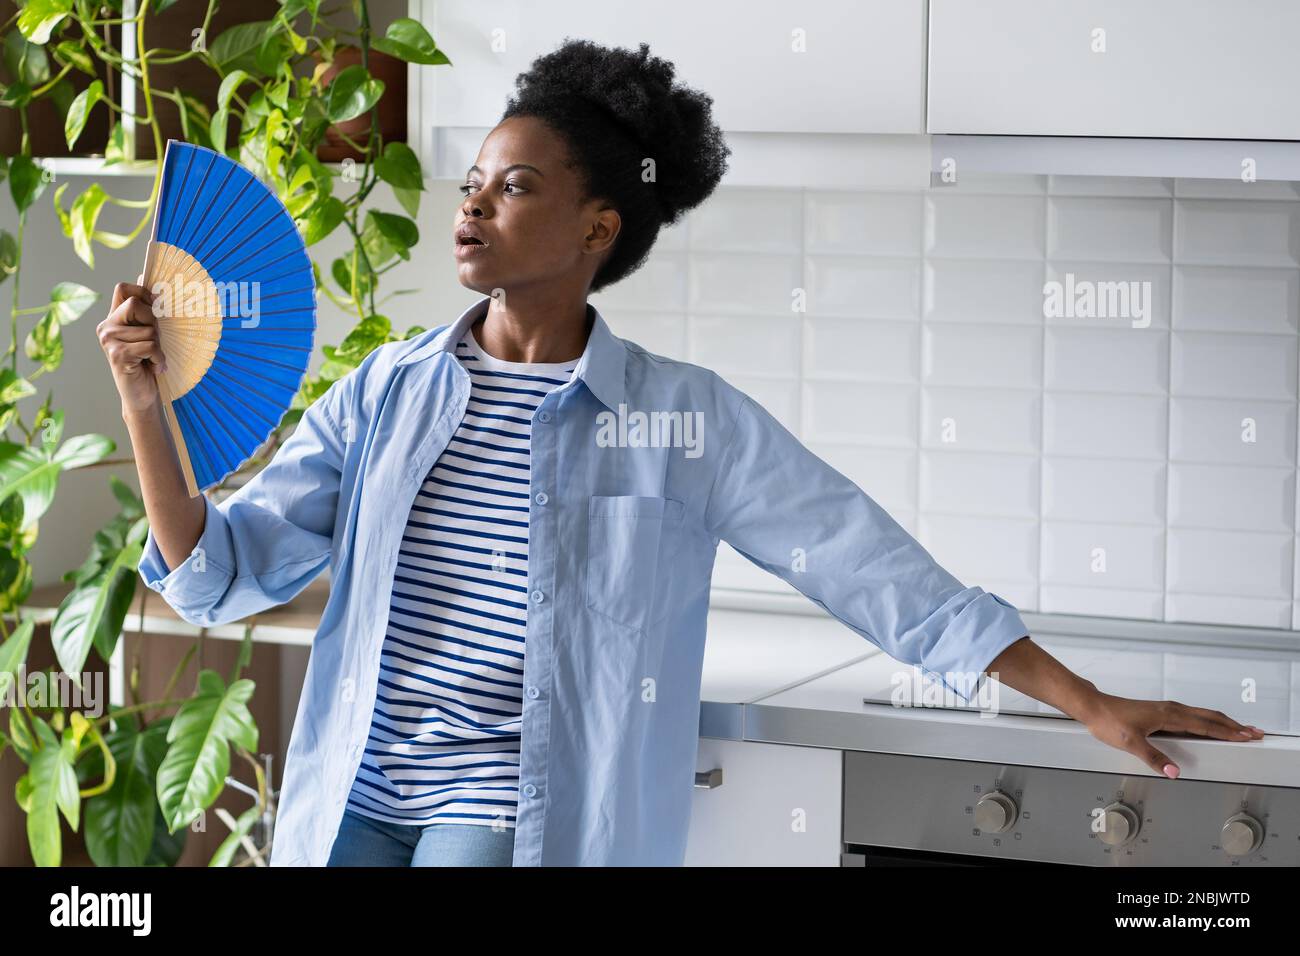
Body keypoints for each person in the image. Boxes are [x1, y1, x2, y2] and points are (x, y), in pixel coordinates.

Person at [98, 39, 1264, 867]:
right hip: (353, 782)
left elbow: (870, 567)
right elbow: (214, 568)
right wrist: (144, 401)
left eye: (513, 188)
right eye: (470, 186)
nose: (471, 209)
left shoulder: (680, 419)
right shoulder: (388, 391)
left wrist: (1082, 696)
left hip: (504, 804)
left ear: (597, 226)